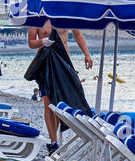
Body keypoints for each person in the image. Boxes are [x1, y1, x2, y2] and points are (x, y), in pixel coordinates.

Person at [27, 20, 93, 152]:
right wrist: (43, 41)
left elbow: (77, 34)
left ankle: (61, 136)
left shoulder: (63, 15)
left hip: (64, 64)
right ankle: (53, 142)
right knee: (48, 103)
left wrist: (86, 54)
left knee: (60, 102)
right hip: (45, 65)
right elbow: (31, 42)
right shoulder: (37, 18)